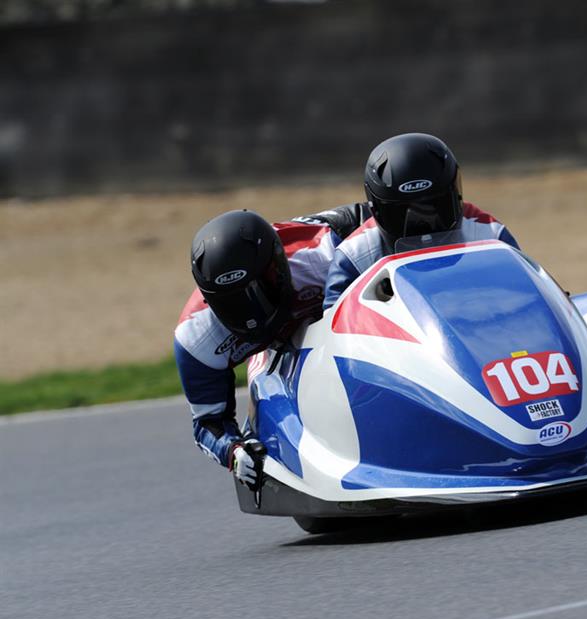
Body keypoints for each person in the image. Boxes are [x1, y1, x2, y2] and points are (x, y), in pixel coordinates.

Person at [174, 203, 370, 485]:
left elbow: (378, 222)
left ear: (279, 265)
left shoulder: (323, 254)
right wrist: (234, 453)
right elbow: (208, 423)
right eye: (231, 302)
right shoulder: (196, 338)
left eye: (260, 289)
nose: (251, 311)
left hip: (341, 317)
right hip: (272, 355)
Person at [322, 132, 519, 309]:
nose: (423, 225)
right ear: (376, 210)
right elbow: (335, 324)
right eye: (402, 213)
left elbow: (524, 296)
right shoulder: (355, 256)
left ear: (457, 196)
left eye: (434, 207)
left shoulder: (491, 236)